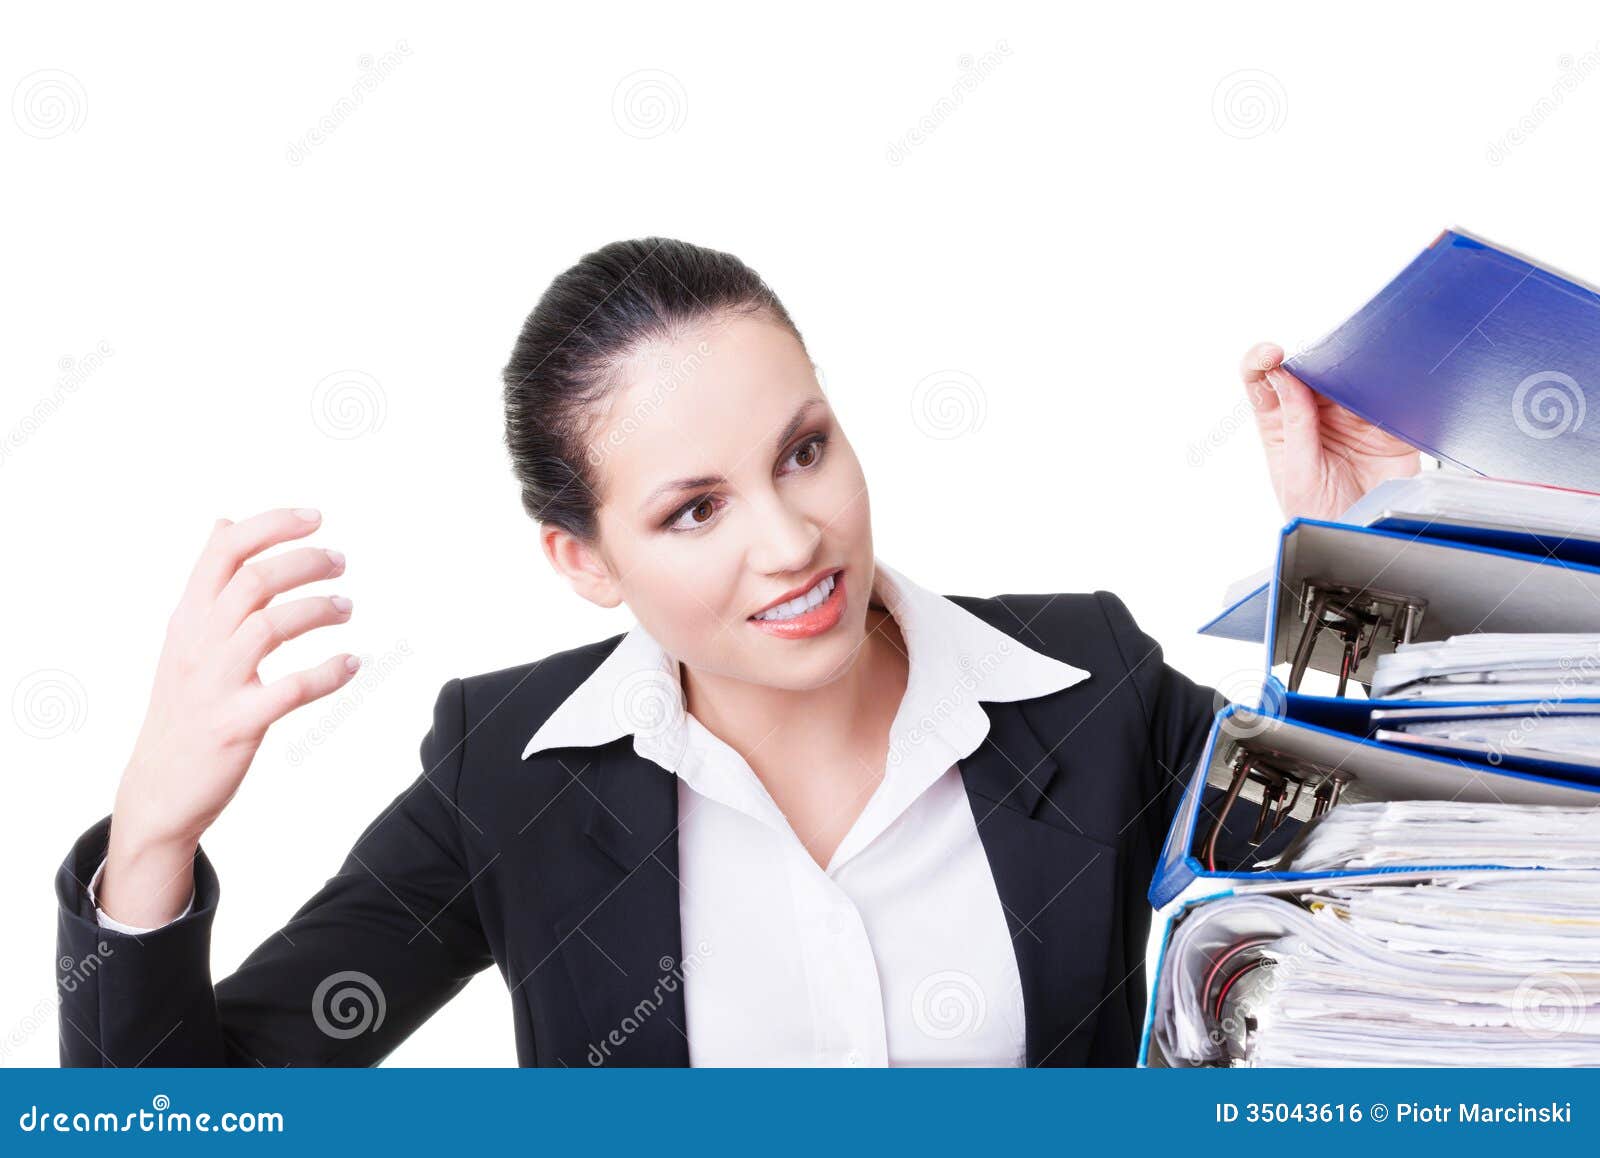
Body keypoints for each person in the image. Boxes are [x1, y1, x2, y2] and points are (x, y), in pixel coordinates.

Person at [53, 239, 1421, 1067]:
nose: (793, 539)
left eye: (804, 449)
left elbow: (1403, 897)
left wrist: (1383, 560)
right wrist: (155, 831)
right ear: (583, 561)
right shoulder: (513, 779)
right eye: (695, 508)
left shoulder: (1089, 689)